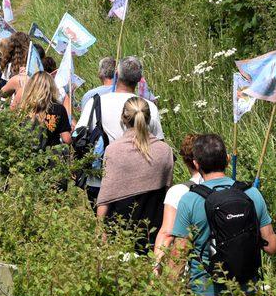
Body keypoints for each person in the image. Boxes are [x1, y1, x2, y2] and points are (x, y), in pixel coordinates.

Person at [158, 134, 276, 296]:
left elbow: (179, 256)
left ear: (196, 164)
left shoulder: (189, 200)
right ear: (227, 160)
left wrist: (167, 295)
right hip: (248, 292)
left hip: (206, 294)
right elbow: (271, 247)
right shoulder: (251, 194)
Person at [74, 56, 164, 207]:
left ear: (116, 74)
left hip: (101, 179)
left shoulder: (96, 102)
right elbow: (159, 144)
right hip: (140, 181)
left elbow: (79, 135)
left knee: (104, 220)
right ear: (139, 79)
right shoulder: (149, 106)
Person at [96, 97, 173, 253]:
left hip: (120, 229)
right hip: (153, 229)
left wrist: (100, 229)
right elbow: (167, 193)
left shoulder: (114, 150)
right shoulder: (165, 150)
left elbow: (106, 194)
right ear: (149, 118)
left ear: (123, 118)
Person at [153, 133, 202, 264]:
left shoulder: (178, 191)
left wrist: (155, 267)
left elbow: (167, 234)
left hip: (194, 267)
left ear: (186, 161)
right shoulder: (228, 188)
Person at [10, 71, 72, 148]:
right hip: (48, 153)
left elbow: (11, 125)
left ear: (31, 86)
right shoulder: (58, 108)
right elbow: (66, 139)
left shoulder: (24, 105)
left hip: (22, 150)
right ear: (51, 87)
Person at [0, 32, 34, 104]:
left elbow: (3, 89)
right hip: (25, 102)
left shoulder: (8, 64)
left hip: (9, 102)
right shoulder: (30, 65)